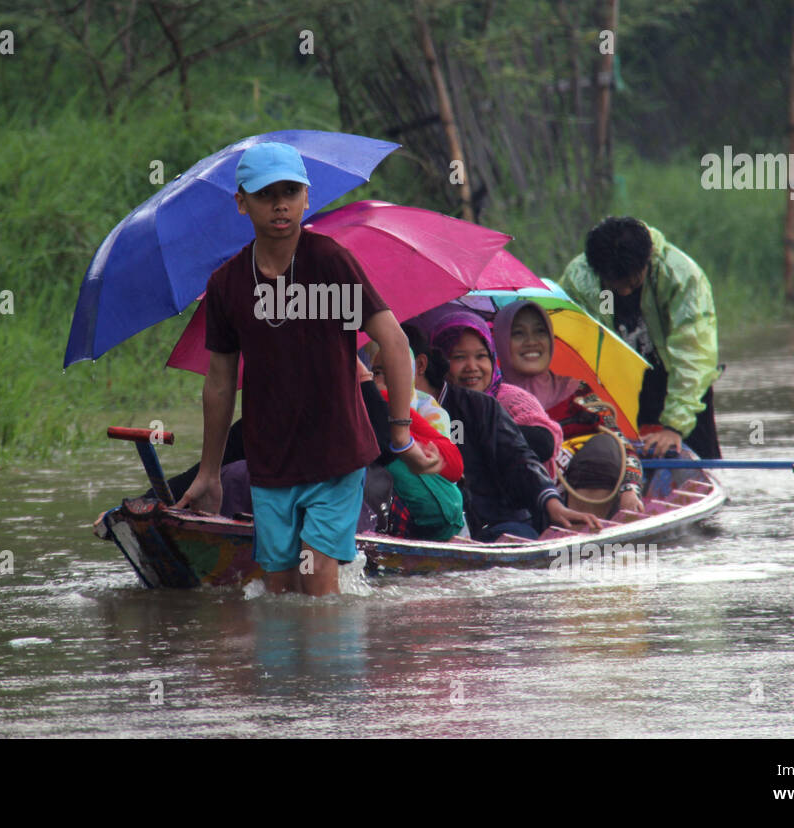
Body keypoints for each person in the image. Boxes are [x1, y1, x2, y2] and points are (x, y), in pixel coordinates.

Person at [173, 142, 435, 595]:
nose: (280, 204)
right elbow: (219, 384)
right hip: (271, 459)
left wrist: (399, 435)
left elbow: (393, 341)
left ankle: (331, 667)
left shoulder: (328, 262)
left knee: (315, 574)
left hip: (336, 451)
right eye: (265, 194)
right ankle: (286, 669)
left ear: (307, 198)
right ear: (242, 202)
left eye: (290, 192)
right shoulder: (228, 285)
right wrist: (210, 473)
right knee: (278, 584)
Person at [403, 324, 602, 542]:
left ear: (419, 364)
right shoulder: (384, 416)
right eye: (375, 372)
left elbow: (518, 457)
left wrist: (551, 503)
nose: (472, 367)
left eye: (383, 369)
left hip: (497, 524)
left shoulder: (480, 407)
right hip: (425, 532)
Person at [559, 217, 722, 459]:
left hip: (674, 377)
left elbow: (694, 355)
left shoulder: (681, 276)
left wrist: (674, 427)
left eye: (633, 283)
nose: (624, 291)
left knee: (699, 460)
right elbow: (572, 348)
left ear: (649, 259)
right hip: (617, 382)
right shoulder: (578, 280)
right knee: (615, 457)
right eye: (615, 284)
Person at [493, 299, 644, 516]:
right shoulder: (490, 400)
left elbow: (623, 447)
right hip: (520, 509)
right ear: (500, 342)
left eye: (540, 332)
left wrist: (630, 491)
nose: (532, 342)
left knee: (604, 446)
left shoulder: (576, 392)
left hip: (588, 505)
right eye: (518, 334)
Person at [427, 310, 563, 476]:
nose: (472, 366)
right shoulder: (429, 405)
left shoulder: (512, 399)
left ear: (492, 357)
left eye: (481, 356)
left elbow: (543, 443)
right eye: (459, 357)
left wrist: (480, 432)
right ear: (440, 362)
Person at [365, 350, 465, 541]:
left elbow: (454, 466)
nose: (385, 381)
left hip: (431, 520)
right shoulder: (369, 399)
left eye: (396, 373)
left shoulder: (427, 409)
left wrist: (402, 439)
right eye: (377, 372)